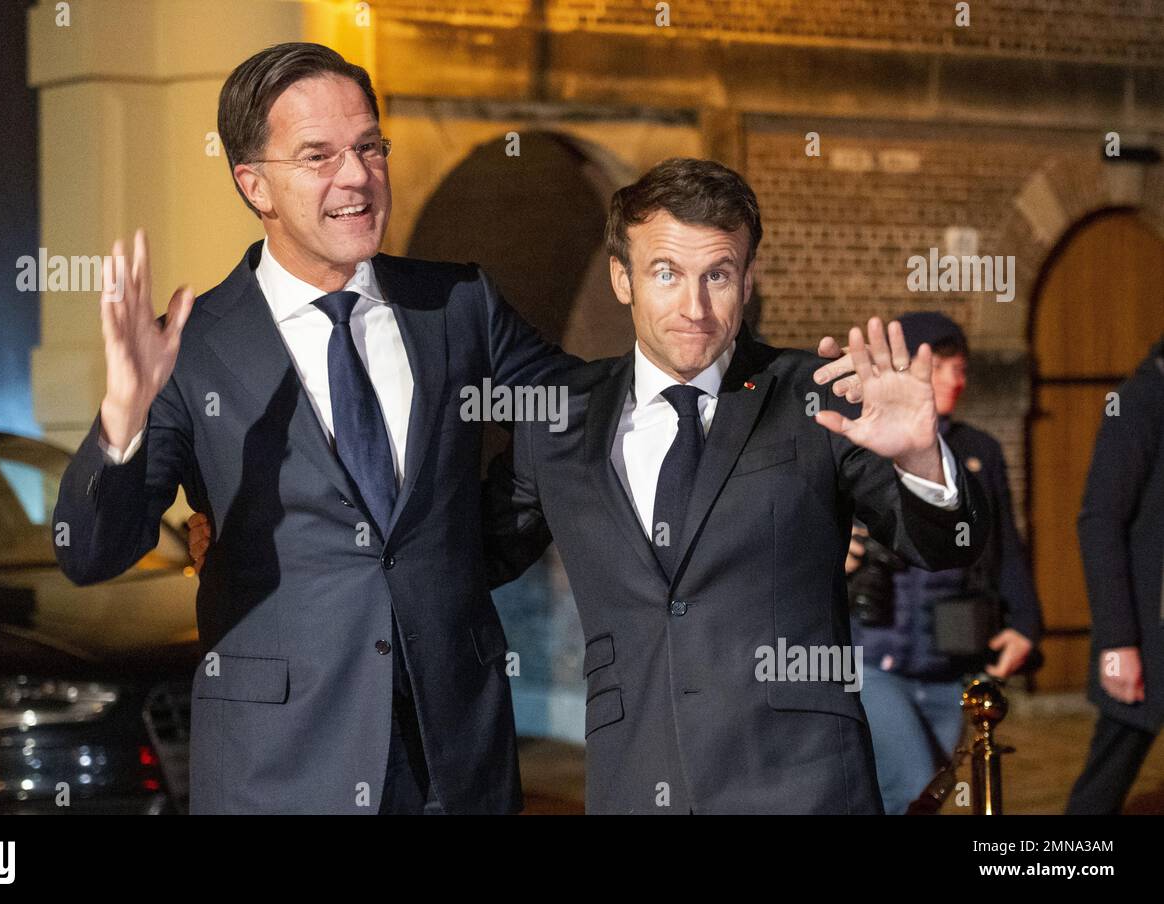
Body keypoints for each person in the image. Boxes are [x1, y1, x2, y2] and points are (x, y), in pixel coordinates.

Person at [51, 42, 575, 814]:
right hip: (282, 773)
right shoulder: (191, 347)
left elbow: (574, 416)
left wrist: (480, 542)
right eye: (318, 156)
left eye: (369, 146)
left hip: (457, 764)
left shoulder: (458, 304)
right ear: (253, 184)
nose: (357, 177)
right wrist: (124, 412)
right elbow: (91, 552)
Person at [476, 158, 988, 813]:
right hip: (636, 783)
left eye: (717, 275)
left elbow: (949, 545)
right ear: (622, 278)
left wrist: (922, 458)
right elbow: (467, 556)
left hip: (803, 786)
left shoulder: (818, 396)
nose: (694, 308)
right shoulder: (559, 417)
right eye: (666, 273)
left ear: (747, 281)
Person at [842, 311, 1042, 815]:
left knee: (925, 796)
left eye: (961, 368)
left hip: (953, 657)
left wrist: (1026, 625)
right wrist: (831, 551)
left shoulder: (979, 450)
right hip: (872, 655)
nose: (957, 379)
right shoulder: (861, 445)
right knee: (912, 780)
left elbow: (1004, 547)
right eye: (942, 368)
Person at [1066, 335, 1164, 814]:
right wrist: (1118, 643)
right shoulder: (1140, 401)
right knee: (1105, 782)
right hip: (1147, 639)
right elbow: (1099, 522)